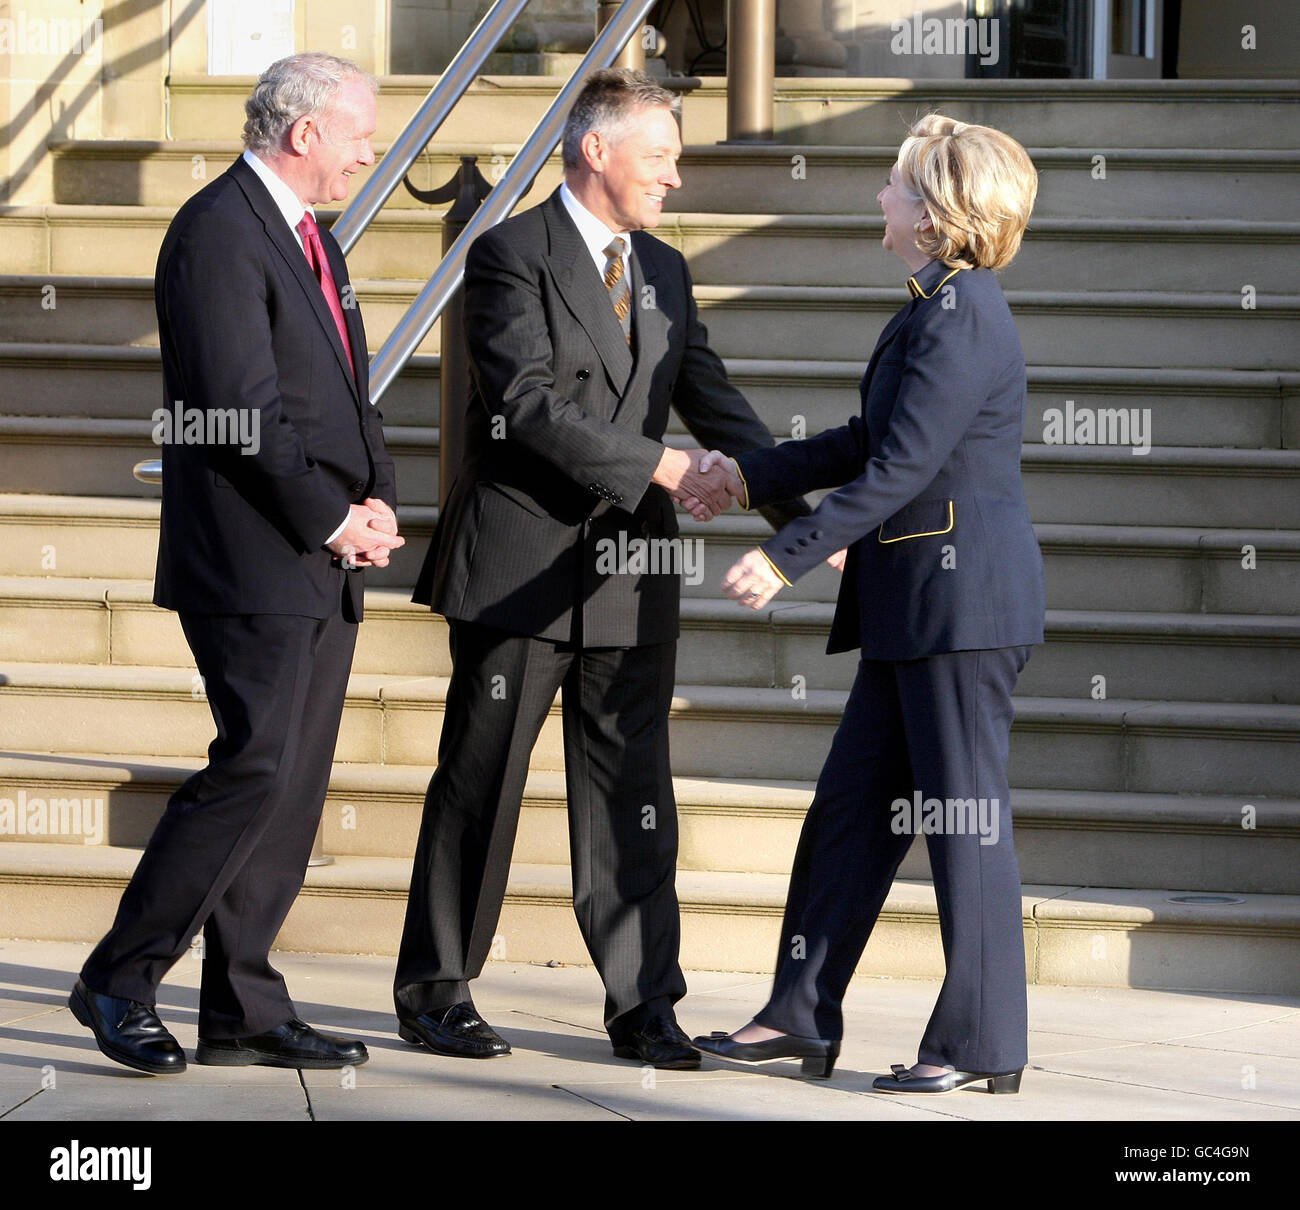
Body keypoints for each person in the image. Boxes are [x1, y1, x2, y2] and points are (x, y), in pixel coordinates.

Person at [394, 68, 819, 1070]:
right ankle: (437, 990)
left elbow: (714, 401)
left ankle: (643, 1006)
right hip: (518, 566)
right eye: (661, 155)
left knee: (634, 794)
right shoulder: (507, 254)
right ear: (597, 151)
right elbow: (530, 408)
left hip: (629, 573)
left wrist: (805, 514)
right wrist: (664, 466)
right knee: (479, 780)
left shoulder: (665, 269)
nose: (675, 177)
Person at [692, 114, 1044, 1093]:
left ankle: (979, 1046)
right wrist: (747, 474)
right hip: (915, 610)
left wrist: (789, 554)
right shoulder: (934, 311)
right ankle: (796, 1017)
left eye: (895, 187)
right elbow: (863, 439)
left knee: (964, 821)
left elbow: (898, 467)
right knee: (850, 814)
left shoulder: (963, 315)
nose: (879, 200)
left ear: (934, 217)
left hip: (958, 613)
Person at [70, 52, 402, 1075]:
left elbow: (351, 384)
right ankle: (119, 977)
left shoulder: (314, 236)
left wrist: (378, 492)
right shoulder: (218, 231)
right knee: (253, 763)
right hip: (251, 554)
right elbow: (239, 411)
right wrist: (328, 516)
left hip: (321, 551)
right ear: (304, 133)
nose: (368, 152)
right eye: (358, 133)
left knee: (291, 784)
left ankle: (244, 1006)